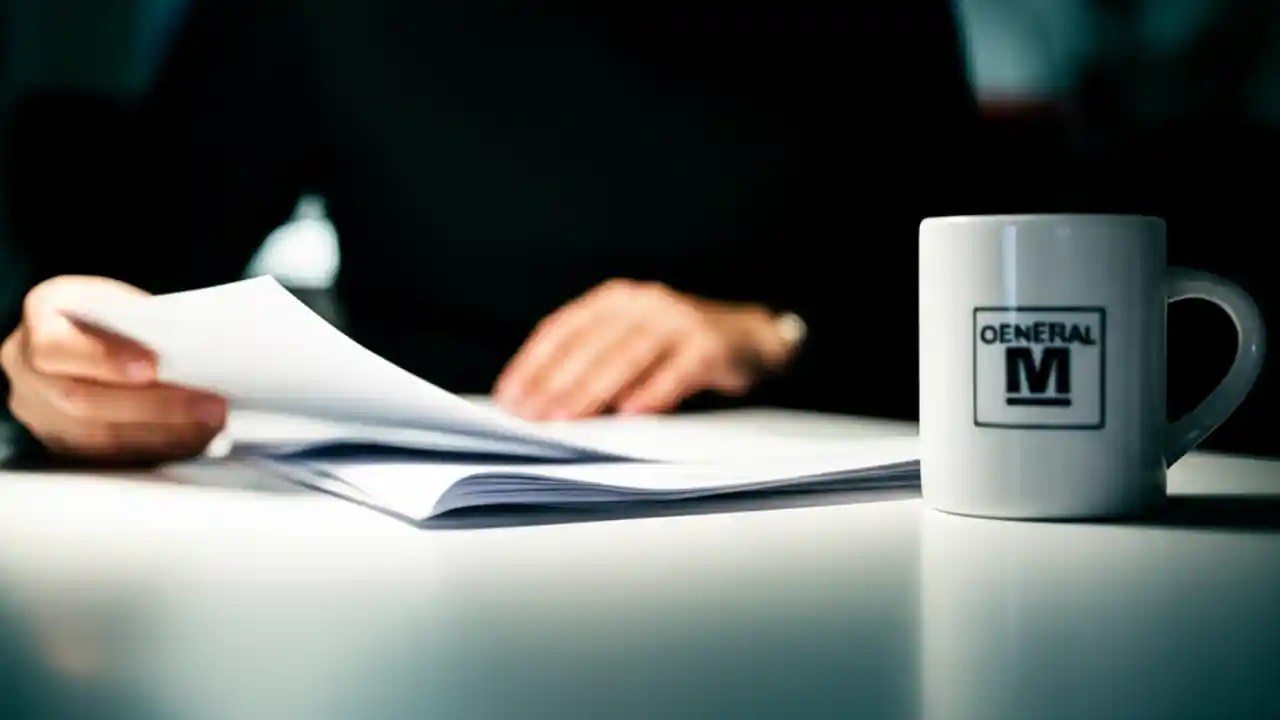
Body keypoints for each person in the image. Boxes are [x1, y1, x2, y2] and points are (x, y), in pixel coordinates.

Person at [1, 0, 982, 464]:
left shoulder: (868, 25)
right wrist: (55, 357)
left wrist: (772, 332)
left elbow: (997, 313)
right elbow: (126, 275)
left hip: (828, 514)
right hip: (413, 520)